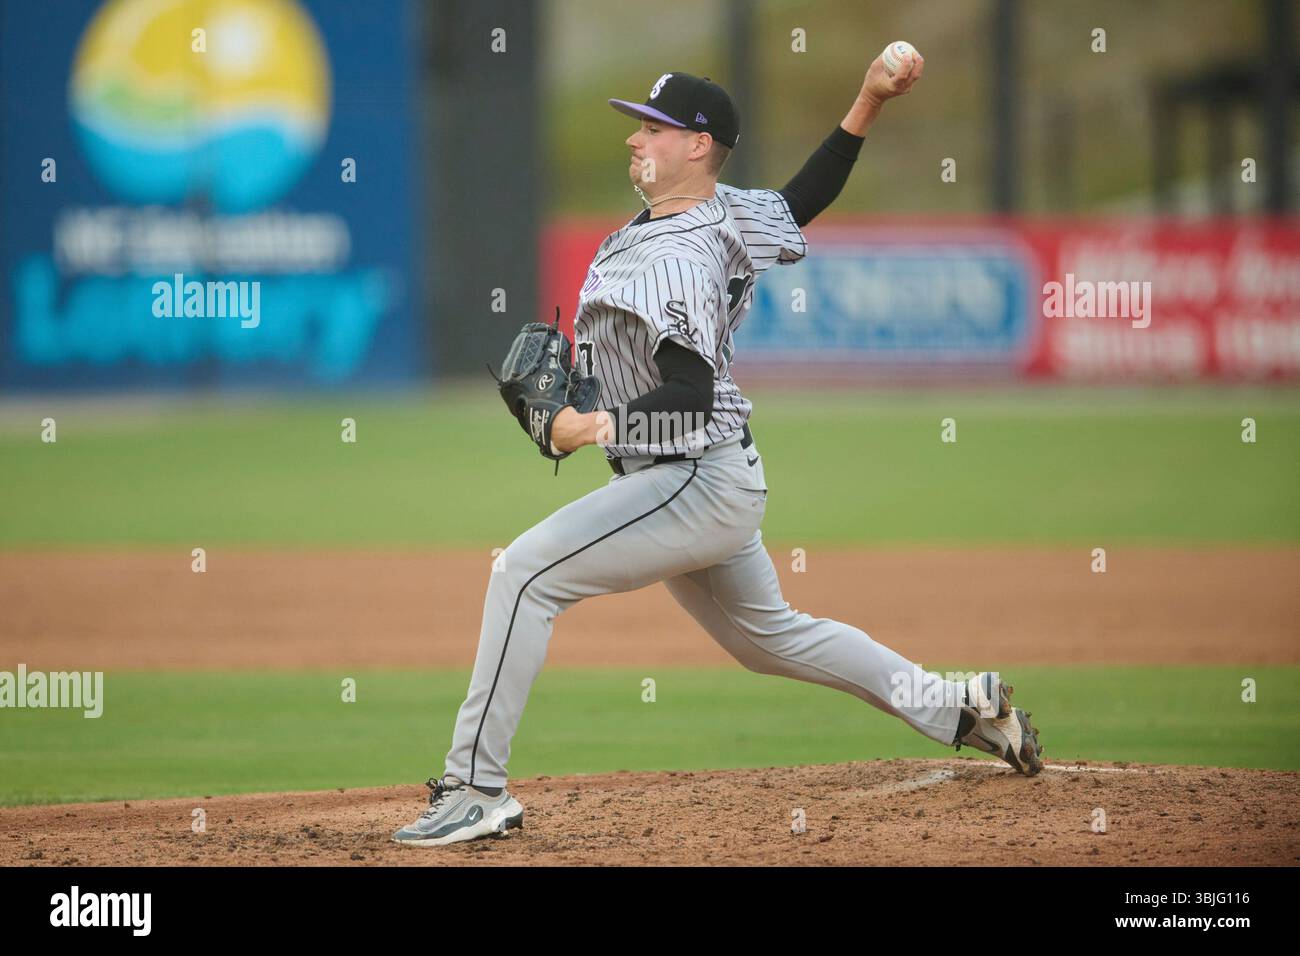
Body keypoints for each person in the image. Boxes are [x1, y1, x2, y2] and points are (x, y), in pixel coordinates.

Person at [394, 49, 1043, 848]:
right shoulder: (725, 213)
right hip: (714, 473)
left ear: (697, 145)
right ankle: (959, 705)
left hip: (689, 474)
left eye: (654, 127)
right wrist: (868, 96)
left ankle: (473, 791)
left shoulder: (676, 256)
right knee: (773, 637)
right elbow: (804, 198)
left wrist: (588, 423)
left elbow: (689, 392)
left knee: (523, 574)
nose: (636, 138)